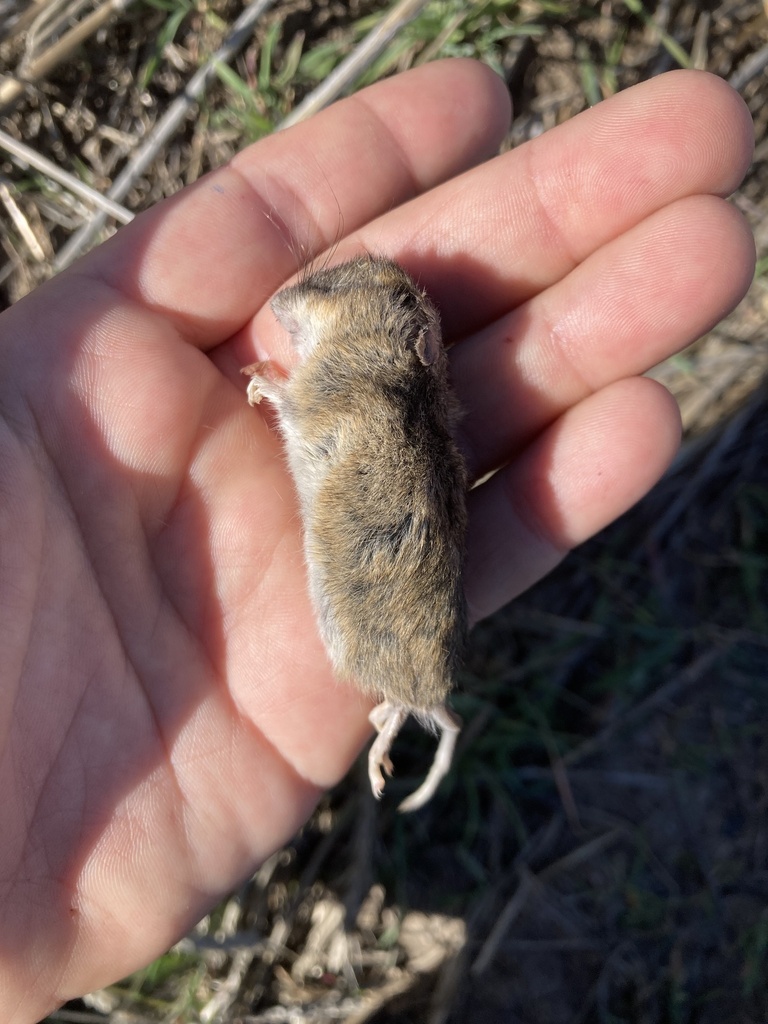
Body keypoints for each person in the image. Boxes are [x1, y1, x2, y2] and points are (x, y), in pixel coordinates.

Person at [0, 59, 754, 1021]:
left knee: (388, 614)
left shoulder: (356, 375)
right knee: (396, 631)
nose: (292, 307)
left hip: (386, 617)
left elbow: (326, 420)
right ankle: (413, 713)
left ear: (365, 320)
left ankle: (412, 712)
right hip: (395, 626)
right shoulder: (371, 378)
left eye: (320, 299)